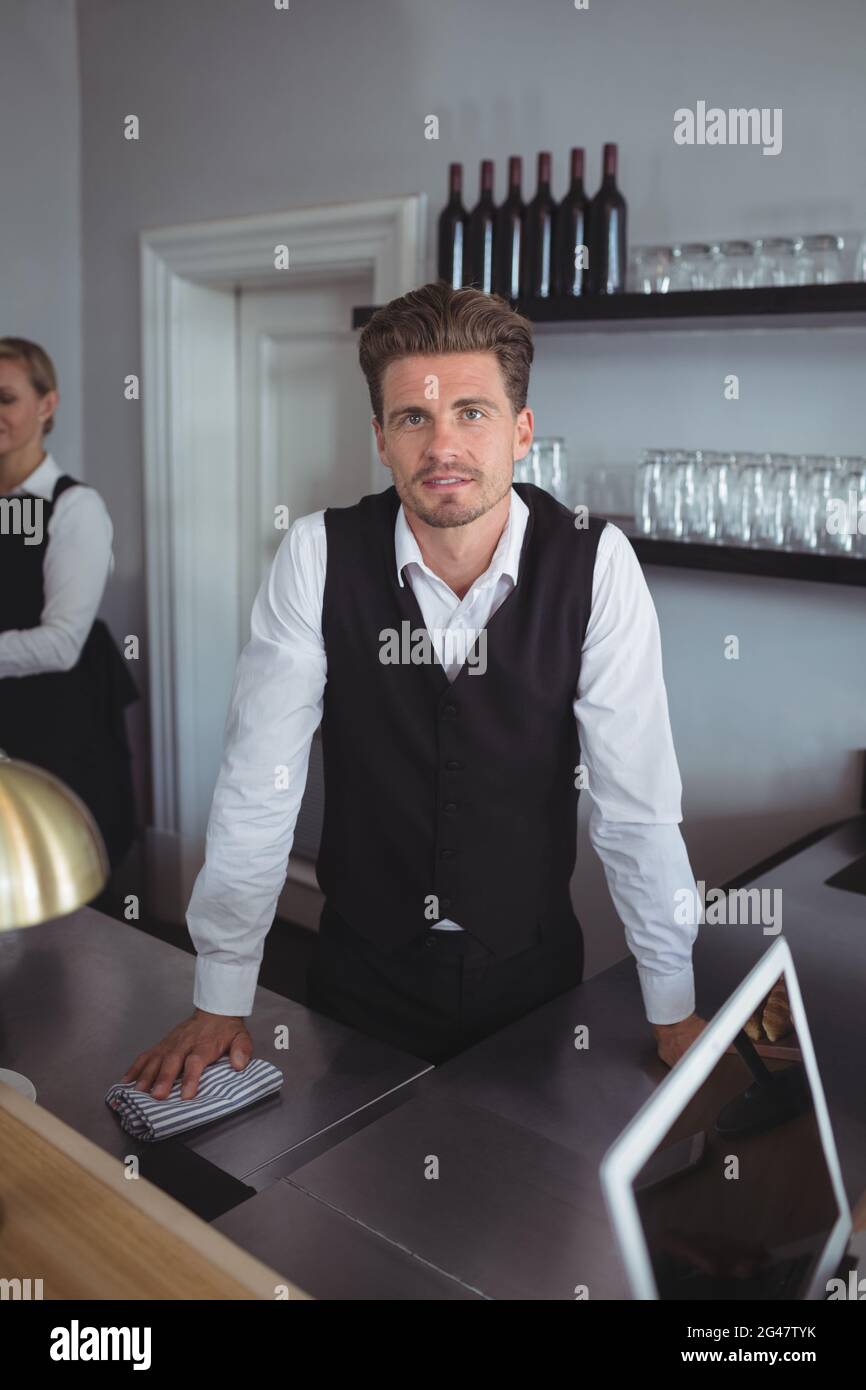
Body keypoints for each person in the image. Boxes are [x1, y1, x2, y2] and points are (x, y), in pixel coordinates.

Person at [123, 281, 706, 1102]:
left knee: (519, 1205)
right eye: (413, 419)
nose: (444, 447)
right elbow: (260, 786)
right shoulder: (318, 556)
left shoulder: (595, 564)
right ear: (381, 439)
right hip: (360, 971)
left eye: (473, 412)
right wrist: (221, 993)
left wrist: (672, 1004)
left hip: (531, 976)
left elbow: (636, 804)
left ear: (522, 432)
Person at [0, 337, 138, 871]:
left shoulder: (74, 507)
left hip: (56, 721)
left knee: (55, 867)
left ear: (47, 404)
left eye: (5, 398)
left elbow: (60, 644)